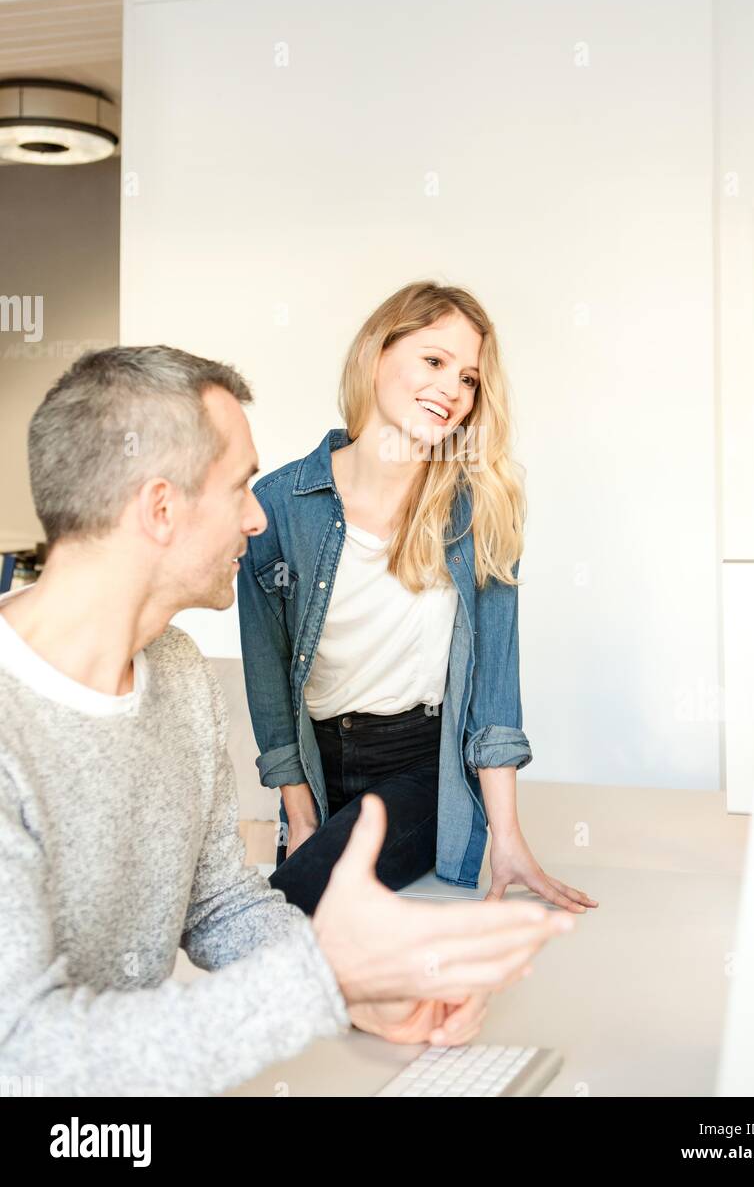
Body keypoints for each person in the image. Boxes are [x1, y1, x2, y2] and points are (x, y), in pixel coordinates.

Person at [0, 345, 577, 1097]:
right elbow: (24, 1056)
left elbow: (219, 906)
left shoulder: (173, 671)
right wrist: (319, 978)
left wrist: (362, 992)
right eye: (240, 485)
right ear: (161, 507)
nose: (258, 513)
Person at [238, 281, 599, 918]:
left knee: (294, 910)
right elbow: (266, 677)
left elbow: (494, 683)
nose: (453, 391)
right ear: (376, 353)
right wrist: (299, 818)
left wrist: (506, 838)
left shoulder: (479, 506)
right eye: (434, 361)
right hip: (318, 770)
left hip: (421, 768)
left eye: (469, 379)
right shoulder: (275, 505)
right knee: (279, 925)